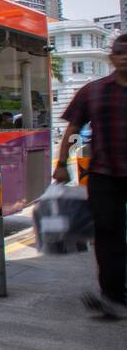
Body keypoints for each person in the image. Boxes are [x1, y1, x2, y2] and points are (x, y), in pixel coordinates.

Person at [54, 32, 127, 320]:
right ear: (112, 58)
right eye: (121, 52)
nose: (125, 57)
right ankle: (112, 296)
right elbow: (72, 130)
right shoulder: (93, 91)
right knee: (108, 235)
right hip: (104, 174)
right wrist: (62, 164)